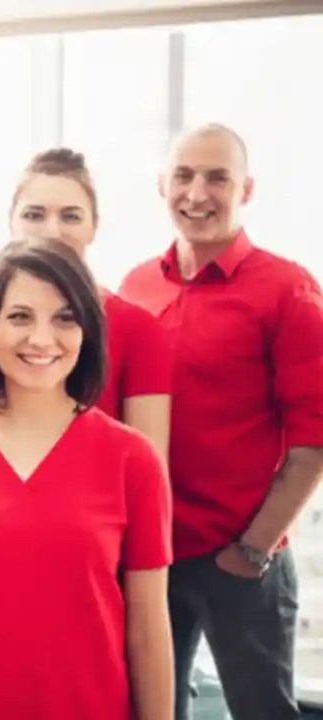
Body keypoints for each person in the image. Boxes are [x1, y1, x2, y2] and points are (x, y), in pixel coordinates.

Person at [0, 239, 173, 719]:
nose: (42, 338)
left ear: (87, 331)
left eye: (64, 318)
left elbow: (149, 628)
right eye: (20, 316)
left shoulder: (133, 460)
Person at [119, 123, 323, 720]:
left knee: (262, 712)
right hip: (154, 555)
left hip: (240, 560)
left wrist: (253, 550)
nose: (197, 192)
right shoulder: (135, 286)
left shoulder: (288, 289)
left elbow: (315, 438)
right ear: (163, 185)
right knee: (153, 710)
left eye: (217, 178)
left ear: (247, 190)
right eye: (183, 175)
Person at [0, 148, 171, 455]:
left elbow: (149, 471)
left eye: (70, 216)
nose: (51, 230)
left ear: (94, 227)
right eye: (34, 215)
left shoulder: (139, 330)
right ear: (11, 222)